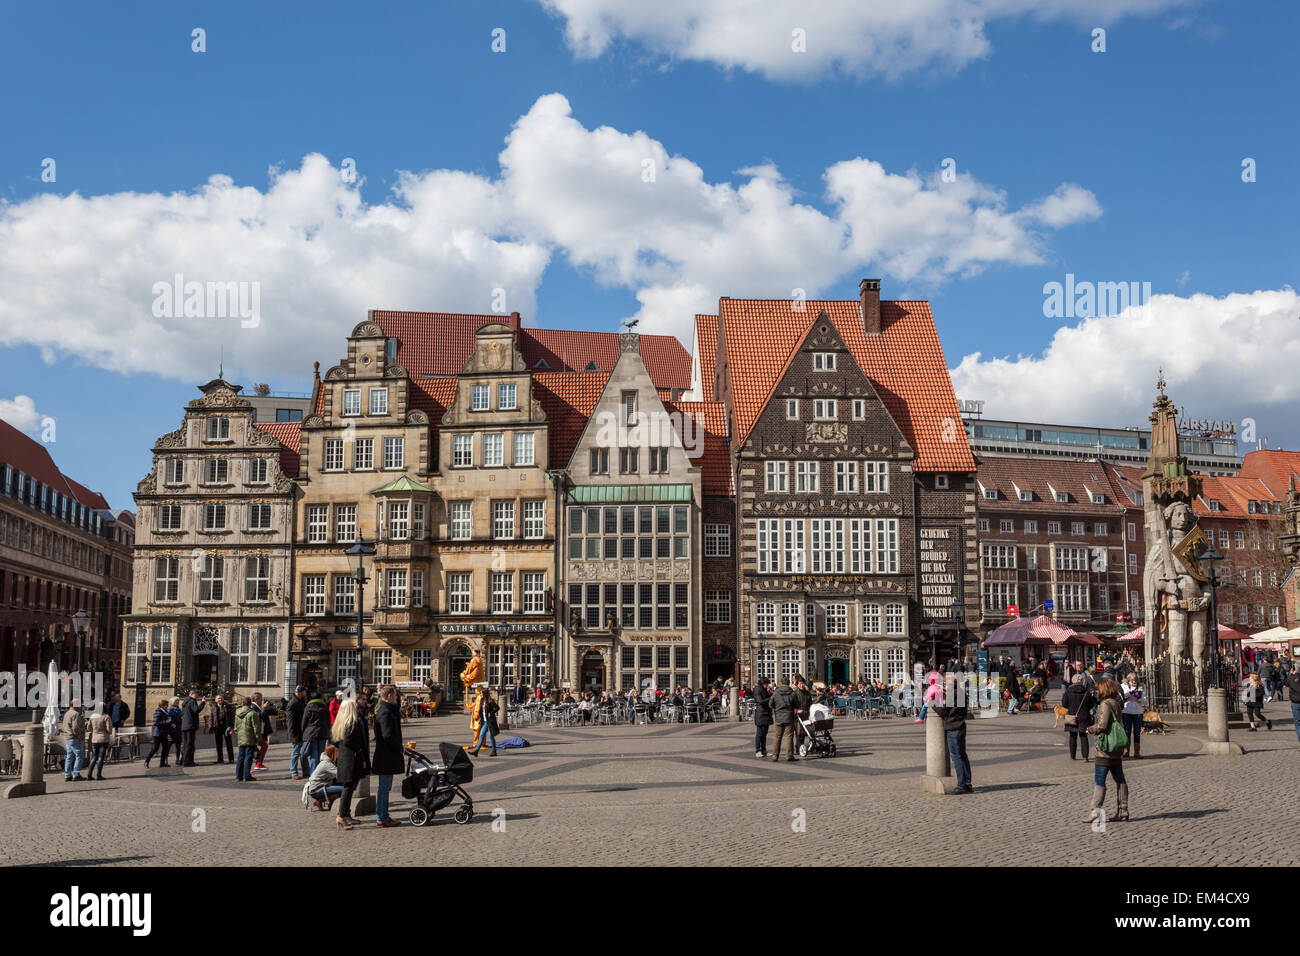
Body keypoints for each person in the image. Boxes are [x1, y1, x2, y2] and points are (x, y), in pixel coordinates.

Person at [1085, 678, 1129, 823]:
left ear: (1104, 689)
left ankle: (1095, 811)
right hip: (1116, 748)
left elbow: (1102, 726)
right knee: (1120, 779)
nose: (1097, 691)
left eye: (1099, 688)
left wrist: (1090, 729)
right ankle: (1123, 810)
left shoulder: (1105, 704)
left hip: (1105, 749)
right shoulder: (1116, 703)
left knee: (1099, 780)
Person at [330, 698, 370, 829]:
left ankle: (345, 814)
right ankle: (341, 816)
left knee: (349, 787)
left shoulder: (341, 722)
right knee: (348, 788)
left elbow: (335, 741)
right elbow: (348, 741)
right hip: (351, 760)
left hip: (345, 758)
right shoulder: (351, 722)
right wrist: (358, 749)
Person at [371, 684, 405, 828]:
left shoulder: (388, 710)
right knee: (384, 788)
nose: (398, 697)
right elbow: (387, 735)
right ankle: (382, 817)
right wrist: (399, 747)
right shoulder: (385, 713)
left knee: (385, 788)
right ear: (390, 696)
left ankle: (383, 815)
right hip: (386, 756)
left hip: (387, 755)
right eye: (396, 695)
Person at [935, 688, 973, 794]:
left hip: (953, 727)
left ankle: (961, 784)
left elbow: (942, 711)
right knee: (963, 755)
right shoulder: (961, 693)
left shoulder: (952, 695)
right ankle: (968, 783)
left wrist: (932, 703)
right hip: (961, 726)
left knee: (957, 757)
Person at [1060, 673, 1094, 761]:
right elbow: (1091, 704)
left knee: (1072, 736)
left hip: (1071, 715)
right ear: (1082, 681)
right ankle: (1085, 756)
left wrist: (1071, 708)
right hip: (1084, 716)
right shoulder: (1086, 691)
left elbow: (1064, 704)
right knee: (1083, 736)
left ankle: (1072, 755)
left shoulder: (1068, 691)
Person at [302, 743, 344, 812]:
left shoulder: (326, 761)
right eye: (337, 753)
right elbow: (340, 774)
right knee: (344, 789)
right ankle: (334, 806)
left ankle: (319, 801)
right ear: (332, 754)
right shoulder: (326, 764)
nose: (338, 756)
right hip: (317, 790)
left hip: (316, 788)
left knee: (338, 787)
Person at [770, 677, 798, 762]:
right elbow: (796, 704)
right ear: (788, 683)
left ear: (781, 683)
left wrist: (777, 708)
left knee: (777, 736)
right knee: (789, 736)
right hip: (789, 717)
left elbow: (770, 704)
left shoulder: (776, 692)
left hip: (779, 717)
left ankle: (775, 756)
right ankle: (789, 755)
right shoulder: (792, 693)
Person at [302, 690, 330, 774]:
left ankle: (313, 772)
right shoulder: (325, 707)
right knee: (321, 753)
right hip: (323, 732)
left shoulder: (308, 707)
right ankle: (320, 772)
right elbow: (328, 721)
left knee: (314, 753)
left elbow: (304, 721)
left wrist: (304, 731)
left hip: (311, 733)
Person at [234, 695, 261, 782]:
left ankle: (238, 776)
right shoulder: (253, 713)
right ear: (250, 704)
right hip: (250, 738)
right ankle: (247, 775)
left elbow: (235, 727)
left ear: (243, 703)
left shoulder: (237, 712)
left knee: (240, 757)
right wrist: (258, 739)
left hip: (241, 738)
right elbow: (256, 728)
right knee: (248, 757)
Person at [1118, 673, 1145, 758]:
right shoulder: (1123, 686)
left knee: (1137, 733)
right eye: (1132, 680)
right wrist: (1130, 693)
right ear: (1128, 679)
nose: (1134, 681)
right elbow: (1121, 697)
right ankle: (1126, 751)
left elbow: (1144, 700)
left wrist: (1139, 698)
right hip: (1126, 711)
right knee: (1127, 732)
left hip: (1137, 712)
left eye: (1135, 680)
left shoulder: (1140, 686)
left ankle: (1137, 752)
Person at [61, 698, 87, 781]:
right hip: (74, 737)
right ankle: (76, 774)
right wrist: (79, 735)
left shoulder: (67, 713)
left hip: (68, 737)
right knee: (79, 756)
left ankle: (67, 775)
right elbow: (75, 727)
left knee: (69, 757)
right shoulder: (76, 714)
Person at [85, 704, 113, 781]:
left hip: (94, 739)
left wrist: (95, 731)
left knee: (94, 757)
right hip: (103, 739)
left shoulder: (93, 716)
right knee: (101, 757)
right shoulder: (106, 717)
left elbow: (88, 728)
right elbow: (109, 730)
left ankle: (89, 774)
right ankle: (98, 775)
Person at [144, 698, 173, 768]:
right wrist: (165, 722)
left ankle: (162, 763)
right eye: (166, 705)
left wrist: (170, 724)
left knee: (165, 748)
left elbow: (166, 721)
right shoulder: (158, 712)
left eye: (167, 705)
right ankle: (146, 761)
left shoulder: (165, 712)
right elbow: (156, 723)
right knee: (155, 748)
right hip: (157, 733)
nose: (167, 706)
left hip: (164, 733)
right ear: (162, 705)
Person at [470, 688, 499, 757]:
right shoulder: (481, 701)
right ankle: (476, 751)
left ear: (485, 694)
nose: (480, 695)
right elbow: (481, 711)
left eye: (481, 693)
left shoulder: (490, 701)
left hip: (490, 721)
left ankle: (494, 751)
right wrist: (478, 718)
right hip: (485, 721)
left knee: (490, 736)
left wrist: (491, 713)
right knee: (481, 735)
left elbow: (497, 708)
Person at [286, 685, 308, 779]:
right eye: (304, 691)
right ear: (300, 692)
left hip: (302, 732)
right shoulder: (293, 703)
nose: (305, 693)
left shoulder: (301, 701)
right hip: (296, 732)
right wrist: (292, 735)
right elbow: (290, 721)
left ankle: (306, 772)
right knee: (295, 753)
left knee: (304, 753)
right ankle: (293, 772)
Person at [179, 689, 205, 767]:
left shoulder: (185, 701)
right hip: (190, 726)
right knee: (190, 744)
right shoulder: (192, 701)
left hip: (185, 726)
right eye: (196, 694)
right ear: (192, 694)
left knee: (186, 744)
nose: (197, 696)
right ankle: (188, 762)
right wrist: (203, 702)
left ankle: (184, 760)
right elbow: (196, 710)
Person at [251, 693, 274, 771]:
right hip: (256, 732)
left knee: (255, 748)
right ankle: (258, 764)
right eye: (261, 699)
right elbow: (259, 717)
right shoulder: (253, 707)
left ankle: (257, 764)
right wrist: (264, 708)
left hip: (260, 731)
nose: (262, 700)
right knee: (263, 746)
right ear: (256, 699)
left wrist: (269, 708)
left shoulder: (257, 707)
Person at [752, 676, 773, 758]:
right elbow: (760, 701)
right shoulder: (757, 689)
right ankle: (758, 750)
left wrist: (770, 694)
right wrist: (770, 698)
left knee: (764, 734)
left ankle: (764, 750)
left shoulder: (764, 689)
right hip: (761, 714)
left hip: (766, 713)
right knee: (759, 733)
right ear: (763, 683)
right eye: (766, 683)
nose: (767, 685)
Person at [210, 694, 235, 764]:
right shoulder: (213, 707)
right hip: (217, 728)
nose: (220, 700)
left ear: (223, 699)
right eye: (218, 698)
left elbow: (232, 717)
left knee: (229, 744)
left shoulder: (228, 706)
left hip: (226, 728)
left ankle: (231, 759)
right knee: (218, 744)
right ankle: (220, 759)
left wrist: (231, 726)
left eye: (221, 698)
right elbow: (211, 718)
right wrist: (211, 727)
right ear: (215, 700)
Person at [1285, 664, 1300, 746]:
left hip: (1296, 702)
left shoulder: (1291, 678)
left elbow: (1286, 683)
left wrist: (1291, 674)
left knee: (1298, 723)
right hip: (1295, 702)